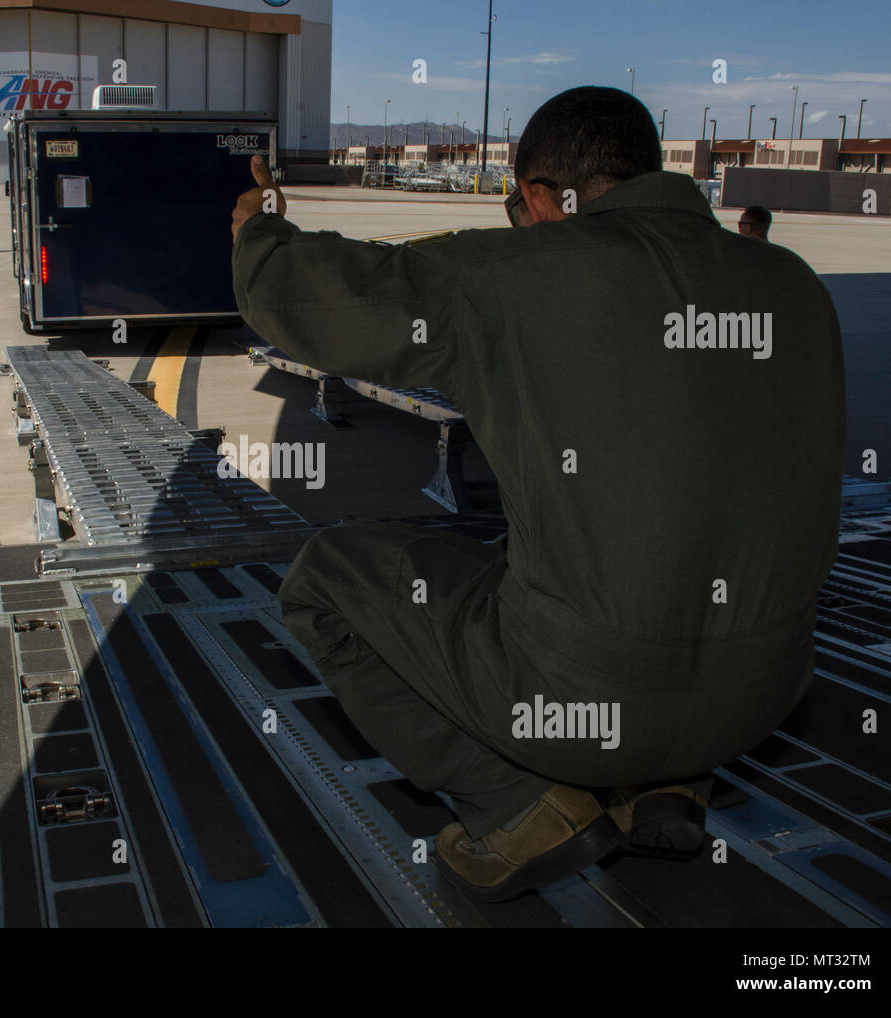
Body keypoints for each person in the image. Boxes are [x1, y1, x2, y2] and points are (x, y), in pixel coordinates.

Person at [229, 87, 844, 902]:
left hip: (587, 705)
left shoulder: (521, 274)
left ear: (549, 194)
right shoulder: (795, 284)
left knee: (324, 582)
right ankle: (668, 784)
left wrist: (260, 230)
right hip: (761, 698)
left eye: (521, 204)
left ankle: (519, 804)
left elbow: (321, 302)